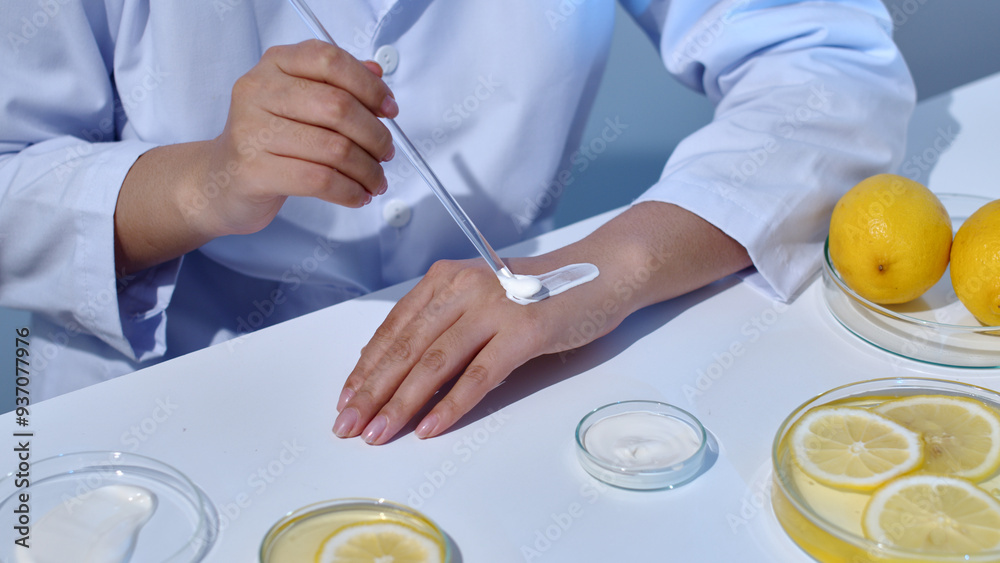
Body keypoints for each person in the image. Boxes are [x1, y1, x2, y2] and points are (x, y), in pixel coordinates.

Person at [0, 1, 913, 444]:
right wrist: (201, 182)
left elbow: (828, 60)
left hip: (502, 385)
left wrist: (594, 274)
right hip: (141, 393)